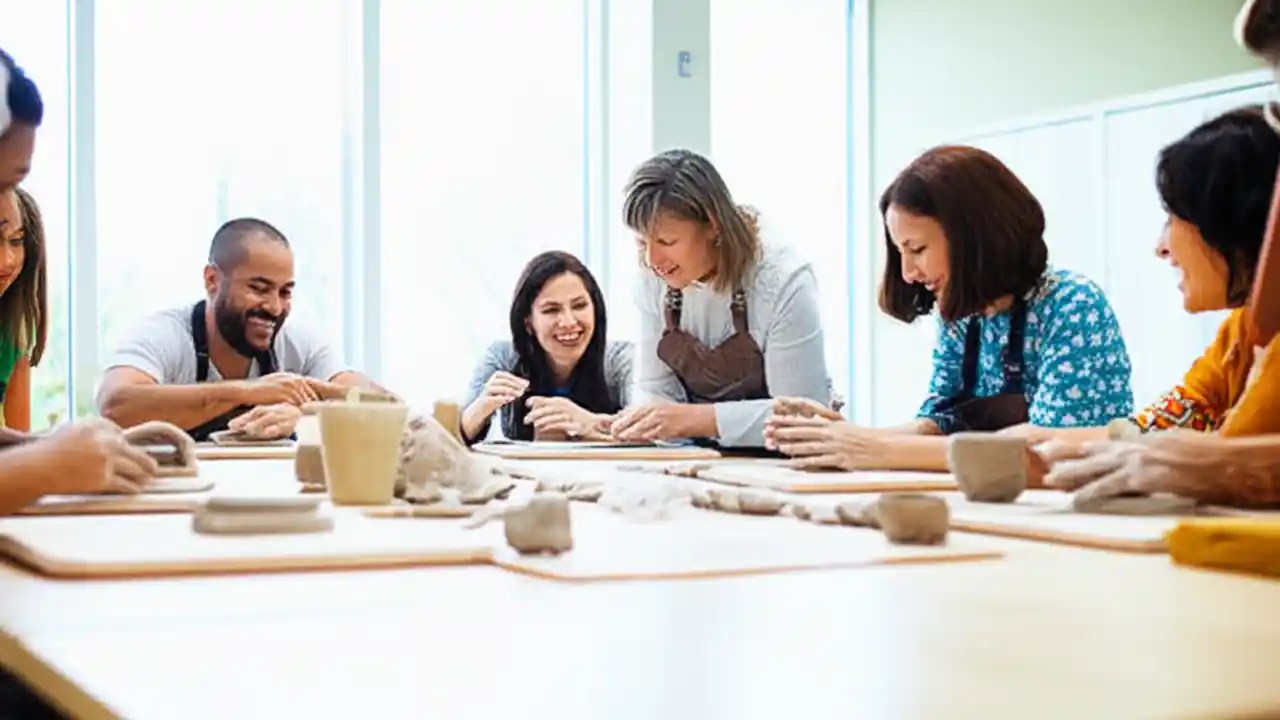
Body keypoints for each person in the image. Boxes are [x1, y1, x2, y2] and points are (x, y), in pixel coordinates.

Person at [768, 145, 1133, 470]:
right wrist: (838, 436)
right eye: (900, 254)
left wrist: (874, 447)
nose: (908, 273)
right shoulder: (963, 316)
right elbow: (938, 422)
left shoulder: (1072, 306)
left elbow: (1048, 450)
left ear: (973, 237)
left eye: (917, 250)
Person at [610, 149, 833, 448]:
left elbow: (802, 415)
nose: (652, 259)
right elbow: (654, 392)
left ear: (712, 225)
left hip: (788, 463)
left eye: (666, 241)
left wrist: (692, 420)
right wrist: (647, 421)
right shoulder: (652, 279)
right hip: (697, 459)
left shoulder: (783, 280)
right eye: (641, 243)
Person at [96, 217, 387, 440]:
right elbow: (115, 406)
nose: (274, 307)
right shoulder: (163, 334)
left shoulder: (298, 341)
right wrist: (248, 392)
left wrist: (304, 413)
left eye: (285, 292)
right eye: (259, 289)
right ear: (212, 280)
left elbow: (384, 407)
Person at [461, 251, 631, 443]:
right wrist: (480, 409)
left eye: (579, 306)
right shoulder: (503, 357)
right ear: (528, 322)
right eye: (551, 310)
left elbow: (652, 434)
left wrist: (588, 422)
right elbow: (447, 438)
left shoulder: (620, 360)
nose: (568, 321)